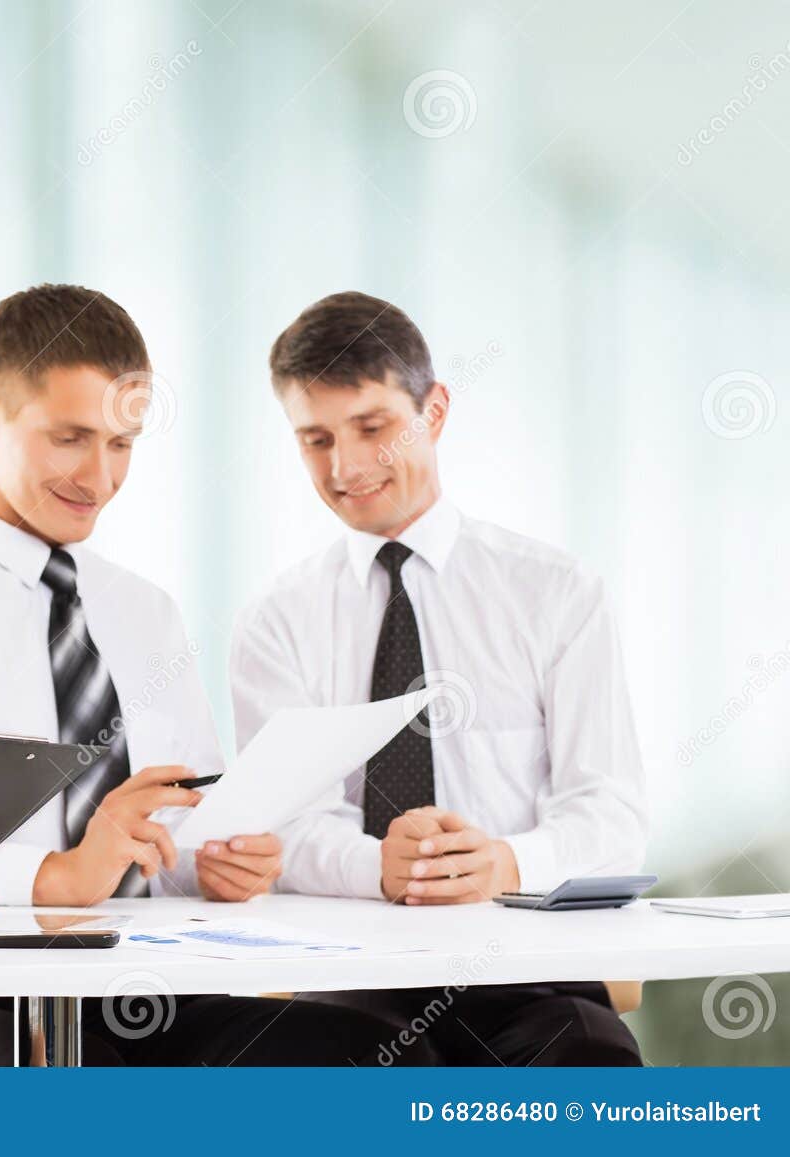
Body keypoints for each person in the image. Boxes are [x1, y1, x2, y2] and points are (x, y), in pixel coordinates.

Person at [0, 283, 432, 1066]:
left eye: (122, 444)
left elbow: (178, 832)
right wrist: (64, 874)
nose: (99, 478)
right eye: (70, 437)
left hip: (150, 988)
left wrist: (218, 865)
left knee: (368, 1058)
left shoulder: (144, 612)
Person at [232, 290, 646, 1065]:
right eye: (315, 438)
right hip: (351, 983)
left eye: (373, 427)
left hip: (535, 976)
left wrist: (505, 861)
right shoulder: (277, 618)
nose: (345, 466)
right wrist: (378, 866)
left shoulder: (555, 591)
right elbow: (276, 827)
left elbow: (613, 810)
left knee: (585, 1068)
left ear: (436, 411)